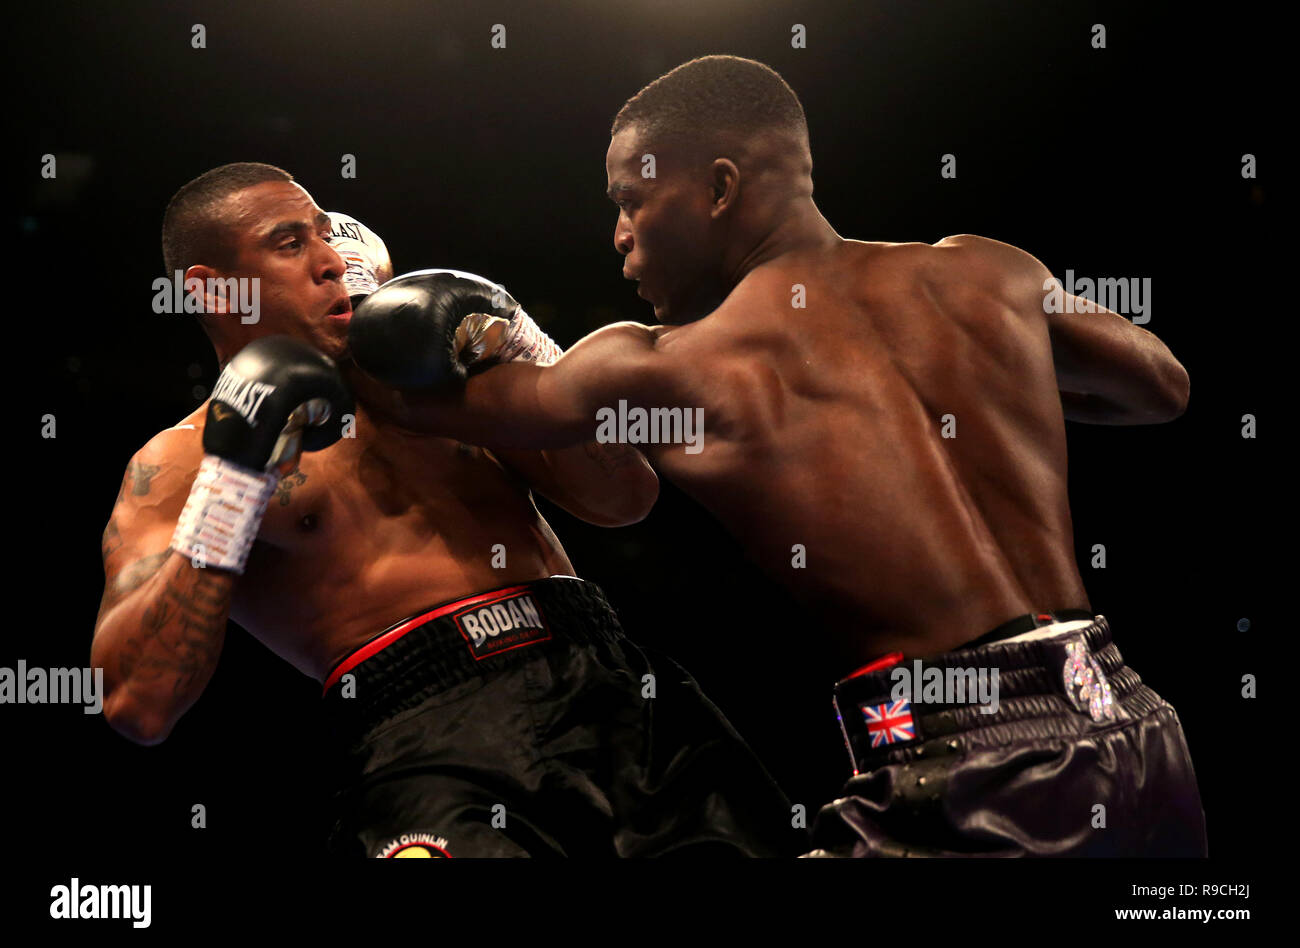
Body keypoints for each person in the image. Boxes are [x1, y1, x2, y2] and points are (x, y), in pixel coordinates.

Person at [354, 56, 1208, 856]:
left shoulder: (674, 366)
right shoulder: (987, 273)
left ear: (719, 187)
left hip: (966, 771)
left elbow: (425, 398)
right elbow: (1162, 385)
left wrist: (372, 328)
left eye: (630, 201)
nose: (618, 235)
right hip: (1138, 726)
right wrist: (990, 384)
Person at [91, 161, 802, 858]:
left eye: (323, 234)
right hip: (429, 739)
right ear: (214, 292)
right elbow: (138, 703)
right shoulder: (183, 463)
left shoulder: (429, 380)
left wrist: (524, 343)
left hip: (614, 680)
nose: (331, 261)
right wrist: (234, 482)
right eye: (288, 243)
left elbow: (624, 498)